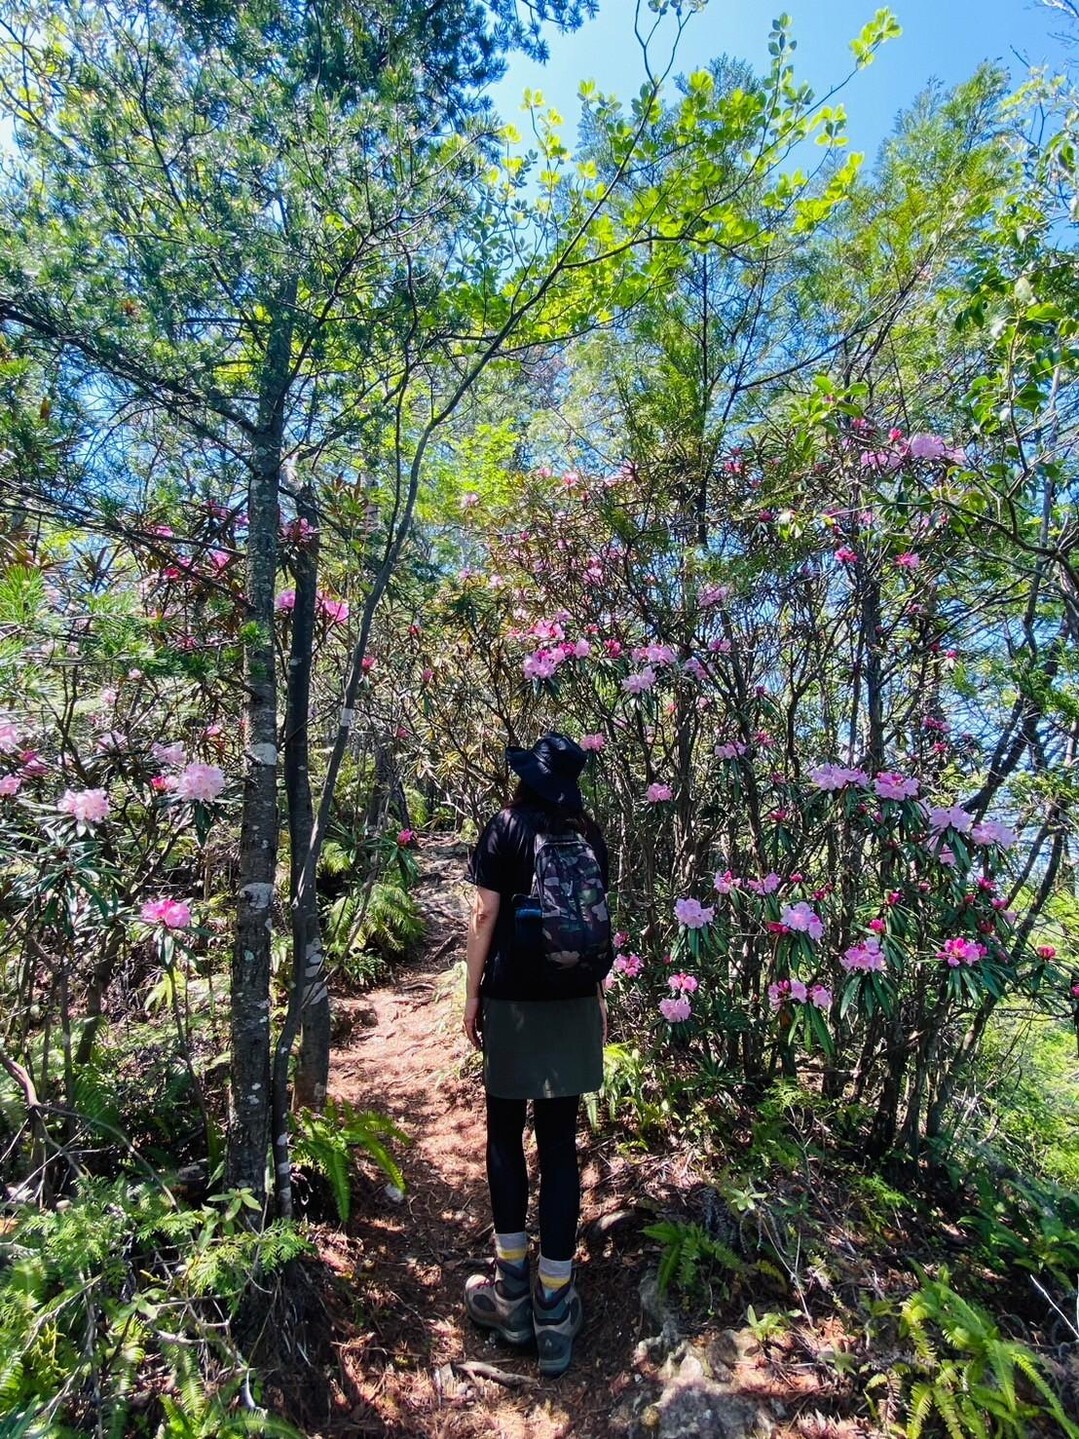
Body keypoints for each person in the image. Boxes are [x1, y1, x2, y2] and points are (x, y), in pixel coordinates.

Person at [462, 732, 610, 1378]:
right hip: (573, 1003)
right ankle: (555, 1306)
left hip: (514, 1006)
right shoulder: (592, 834)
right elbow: (596, 924)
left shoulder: (503, 827)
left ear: (527, 778)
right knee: (557, 1146)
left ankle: (511, 1295)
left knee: (503, 1136)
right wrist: (598, 1000)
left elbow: (483, 915)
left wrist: (471, 994)